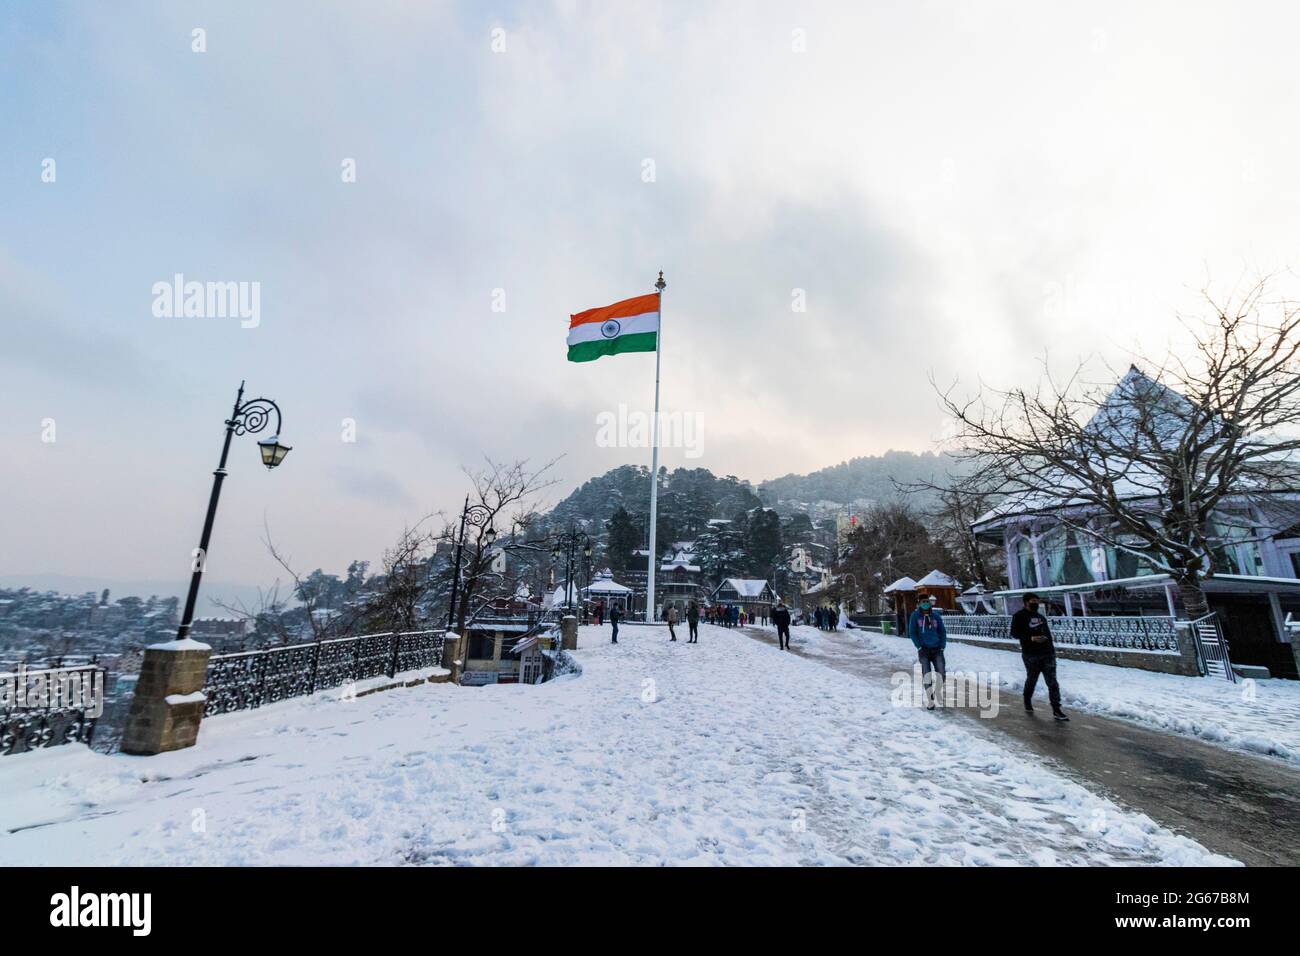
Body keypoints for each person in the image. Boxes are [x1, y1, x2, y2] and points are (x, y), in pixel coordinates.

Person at [1011, 593, 1068, 720]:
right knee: (1032, 679)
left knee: (1052, 682)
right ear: (1026, 602)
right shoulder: (1019, 616)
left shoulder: (1041, 617)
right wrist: (1031, 638)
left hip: (1047, 653)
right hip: (1031, 654)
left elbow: (1047, 633)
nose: (1036, 603)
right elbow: (1014, 633)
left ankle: (1056, 709)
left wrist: (1051, 650)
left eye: (1037, 600)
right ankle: (1027, 700)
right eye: (1033, 601)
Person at [908, 594, 947, 710]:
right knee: (927, 675)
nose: (926, 603)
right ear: (919, 603)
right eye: (923, 601)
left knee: (942, 673)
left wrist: (942, 646)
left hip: (937, 650)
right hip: (923, 650)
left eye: (927, 601)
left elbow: (942, 631)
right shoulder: (915, 616)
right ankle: (930, 700)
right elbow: (912, 632)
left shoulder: (936, 616)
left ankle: (936, 692)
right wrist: (918, 646)